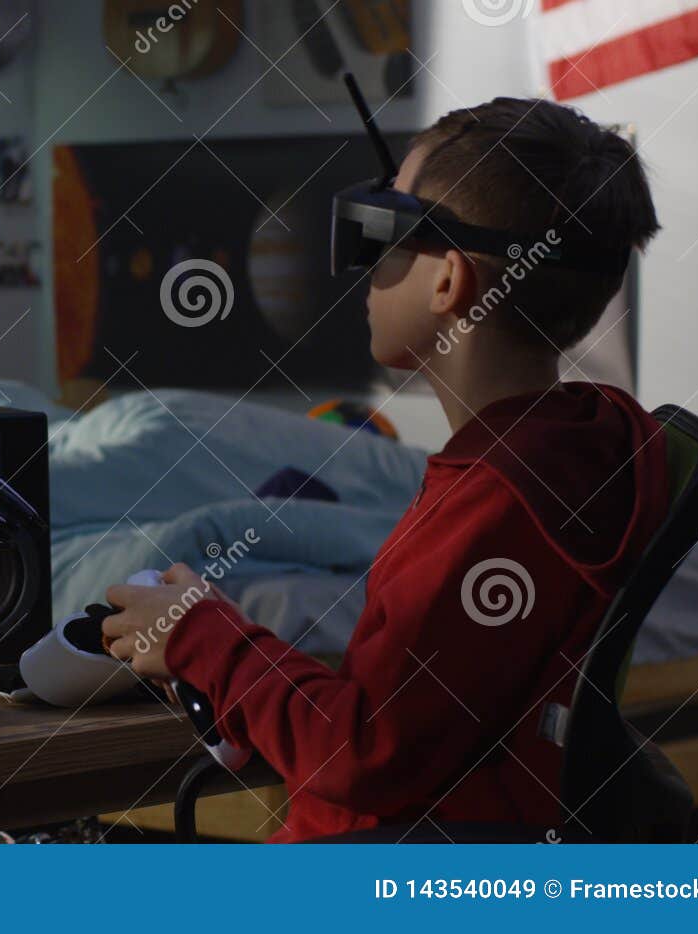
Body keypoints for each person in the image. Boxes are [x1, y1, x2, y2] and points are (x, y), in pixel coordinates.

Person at [101, 98, 669, 842]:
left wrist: (199, 636)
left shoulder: (501, 505)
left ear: (447, 284)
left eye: (388, 226)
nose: (366, 265)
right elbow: (412, 710)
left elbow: (363, 756)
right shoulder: (576, 446)